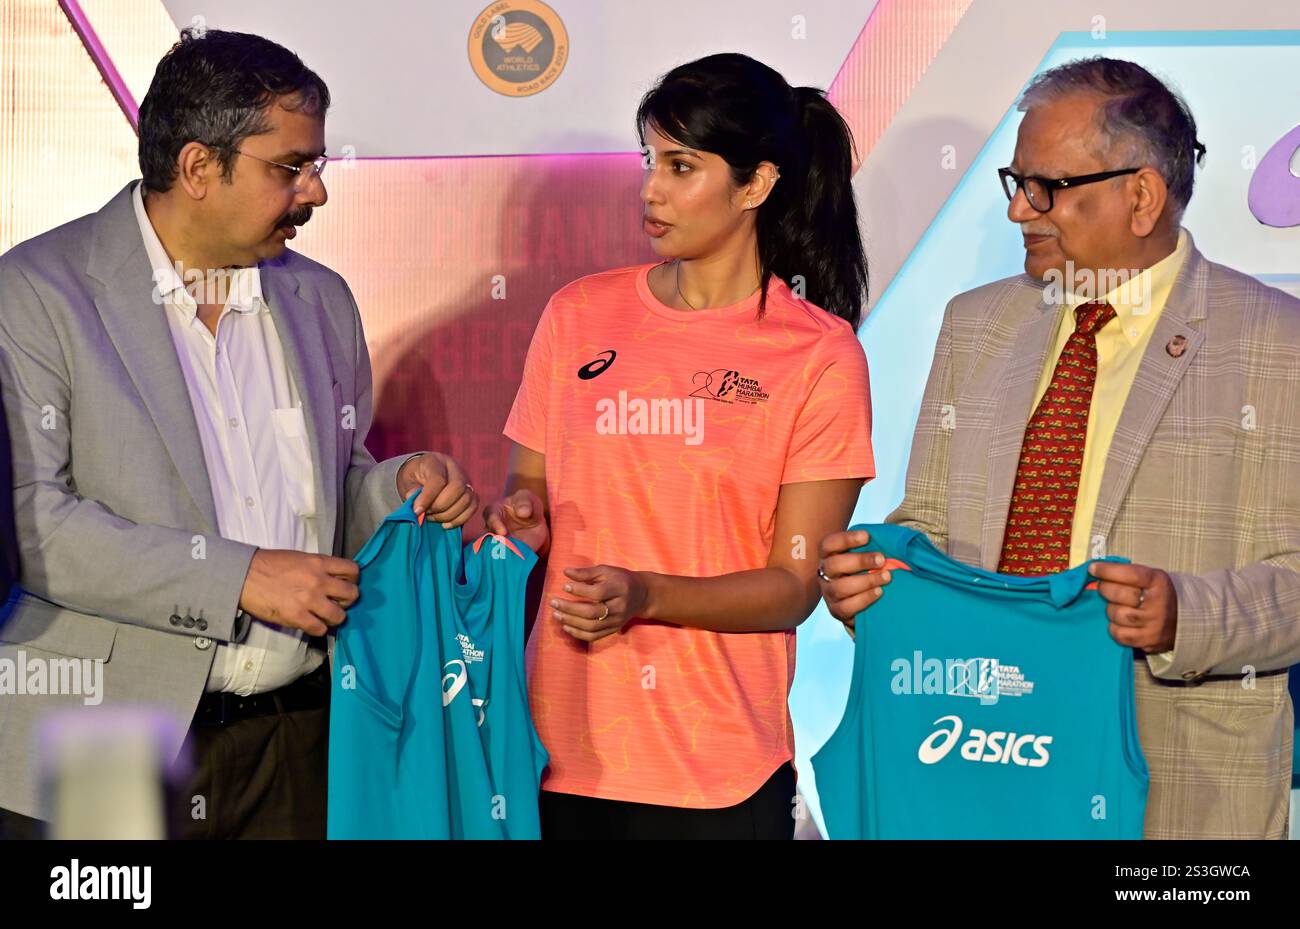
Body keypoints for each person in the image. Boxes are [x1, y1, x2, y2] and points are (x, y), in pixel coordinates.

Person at [0, 28, 476, 839]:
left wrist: (395, 488)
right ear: (196, 167)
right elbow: (35, 522)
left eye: (315, 164)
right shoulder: (35, 292)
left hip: (296, 742)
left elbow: (335, 487)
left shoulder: (321, 298)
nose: (315, 192)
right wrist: (239, 577)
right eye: (290, 167)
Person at [818, 57, 1300, 839]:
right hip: (976, 764)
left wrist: (1186, 613)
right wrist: (878, 582)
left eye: (1046, 187)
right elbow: (928, 524)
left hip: (1181, 795)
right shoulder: (975, 325)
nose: (1020, 212)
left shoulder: (1278, 343)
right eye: (1016, 182)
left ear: (1140, 195)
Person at [485, 53, 874, 839]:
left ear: (757, 184)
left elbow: (794, 583)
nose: (650, 190)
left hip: (720, 771)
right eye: (648, 161)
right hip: (555, 753)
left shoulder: (819, 355)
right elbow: (531, 494)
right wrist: (518, 521)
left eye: (681, 166)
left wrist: (647, 595)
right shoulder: (577, 315)